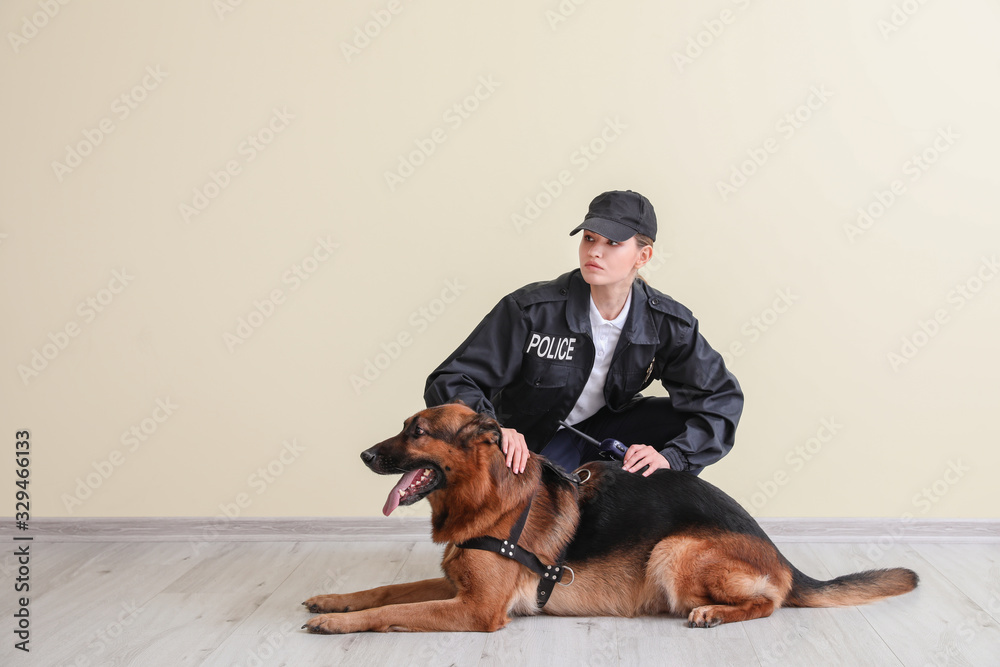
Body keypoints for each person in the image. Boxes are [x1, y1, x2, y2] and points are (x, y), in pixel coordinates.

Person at [424, 190, 743, 477]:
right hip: (532, 443)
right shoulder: (531, 310)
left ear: (642, 256)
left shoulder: (665, 322)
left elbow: (720, 397)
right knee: (537, 528)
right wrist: (492, 429)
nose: (595, 252)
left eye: (612, 243)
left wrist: (671, 458)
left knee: (680, 421)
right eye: (589, 238)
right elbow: (451, 379)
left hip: (601, 432)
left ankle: (631, 523)